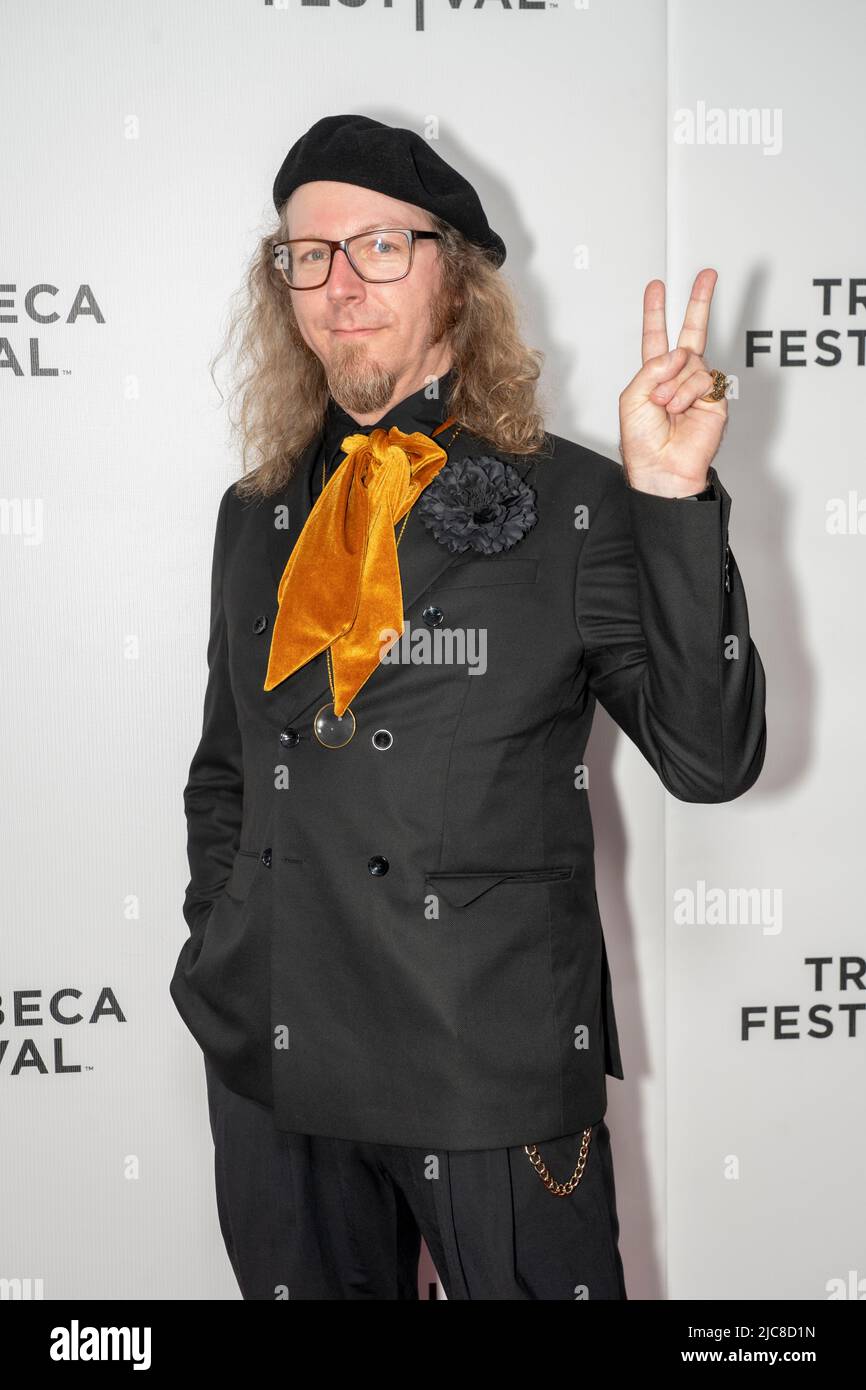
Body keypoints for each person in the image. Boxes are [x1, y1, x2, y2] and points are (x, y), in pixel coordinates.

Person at [169, 113, 767, 1300]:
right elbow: (227, 767)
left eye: (381, 246)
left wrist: (672, 499)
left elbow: (709, 759)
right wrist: (222, 934)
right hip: (276, 1059)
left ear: (456, 273)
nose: (341, 285)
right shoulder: (259, 509)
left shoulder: (582, 500)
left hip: (481, 1061)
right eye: (308, 254)